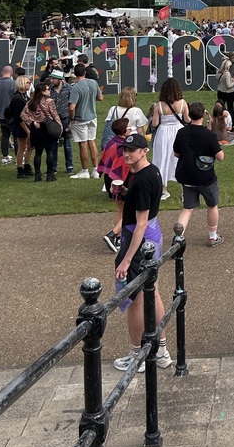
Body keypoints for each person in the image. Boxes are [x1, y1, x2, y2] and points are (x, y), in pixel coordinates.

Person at [112, 133, 172, 373]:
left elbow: (142, 223)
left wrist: (126, 260)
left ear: (144, 151)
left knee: (134, 299)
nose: (128, 153)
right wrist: (126, 195)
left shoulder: (143, 178)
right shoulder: (151, 171)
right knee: (153, 292)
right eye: (126, 149)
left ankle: (137, 354)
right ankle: (162, 351)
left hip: (140, 241)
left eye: (133, 150)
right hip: (153, 237)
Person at [174, 101, 225, 246]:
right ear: (203, 115)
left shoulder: (181, 132)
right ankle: (212, 236)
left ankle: (178, 238)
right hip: (205, 177)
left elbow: (176, 153)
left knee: (187, 208)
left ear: (189, 115)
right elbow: (220, 157)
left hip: (187, 176)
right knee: (212, 205)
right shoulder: (208, 135)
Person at [150, 77, 190, 200]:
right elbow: (188, 120)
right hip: (178, 131)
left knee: (162, 158)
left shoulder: (159, 105)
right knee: (180, 160)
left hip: (163, 132)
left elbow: (155, 124)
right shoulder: (182, 103)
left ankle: (163, 190)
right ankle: (184, 192)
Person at [99, 117, 130, 254]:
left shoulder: (110, 142)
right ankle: (114, 235)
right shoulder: (123, 148)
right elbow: (123, 168)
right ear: (124, 131)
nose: (131, 129)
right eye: (129, 127)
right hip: (119, 181)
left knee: (120, 210)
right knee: (129, 212)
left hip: (110, 179)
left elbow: (105, 160)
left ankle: (119, 237)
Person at [68, 61, 103, 179]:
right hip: (92, 117)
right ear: (85, 72)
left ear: (74, 74)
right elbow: (100, 98)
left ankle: (84, 171)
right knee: (92, 142)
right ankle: (96, 170)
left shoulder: (76, 87)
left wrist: (71, 118)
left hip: (80, 119)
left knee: (83, 144)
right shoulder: (93, 82)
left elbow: (72, 107)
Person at [21, 81, 62, 182]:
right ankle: (50, 175)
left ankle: (37, 175)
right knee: (50, 151)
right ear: (43, 92)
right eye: (47, 89)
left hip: (36, 129)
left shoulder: (31, 102)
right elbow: (54, 115)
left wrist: (32, 122)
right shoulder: (49, 101)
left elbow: (23, 115)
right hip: (47, 128)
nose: (49, 91)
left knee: (38, 152)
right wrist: (59, 126)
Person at [46, 69, 74, 176]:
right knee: (54, 144)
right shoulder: (50, 89)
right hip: (54, 120)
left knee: (67, 144)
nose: (52, 80)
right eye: (51, 78)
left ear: (60, 79)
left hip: (66, 118)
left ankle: (69, 166)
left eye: (54, 79)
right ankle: (53, 167)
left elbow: (72, 103)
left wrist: (72, 120)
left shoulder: (69, 89)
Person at [7, 74, 33, 180]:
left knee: (30, 146)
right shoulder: (17, 98)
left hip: (27, 124)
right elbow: (19, 117)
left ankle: (27, 165)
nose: (29, 84)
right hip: (20, 125)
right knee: (22, 147)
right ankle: (20, 168)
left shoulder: (25, 95)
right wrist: (27, 130)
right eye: (27, 82)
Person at [0, 65, 17, 164]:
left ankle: (5, 156)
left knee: (5, 135)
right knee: (16, 136)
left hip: (1, 114)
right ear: (12, 73)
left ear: (2, 72)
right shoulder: (13, 84)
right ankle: (17, 156)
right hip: (13, 115)